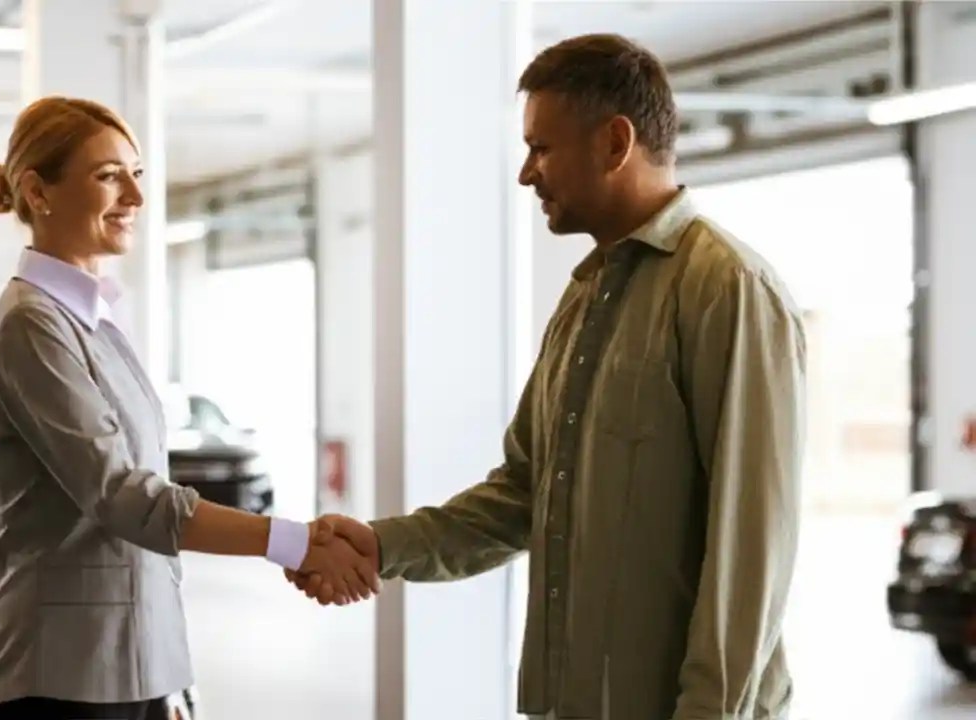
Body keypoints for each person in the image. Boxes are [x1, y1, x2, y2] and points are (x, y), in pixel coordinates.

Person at [288, 33, 806, 720]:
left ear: (614, 143)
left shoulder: (727, 288)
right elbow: (524, 494)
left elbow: (751, 555)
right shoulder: (585, 298)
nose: (527, 174)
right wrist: (383, 545)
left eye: (541, 147)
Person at [0, 95, 380, 720]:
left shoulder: (92, 315)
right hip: (61, 678)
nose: (134, 197)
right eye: (109, 176)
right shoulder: (32, 325)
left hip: (125, 667)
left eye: (136, 174)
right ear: (37, 189)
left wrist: (167, 679)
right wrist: (292, 543)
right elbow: (123, 496)